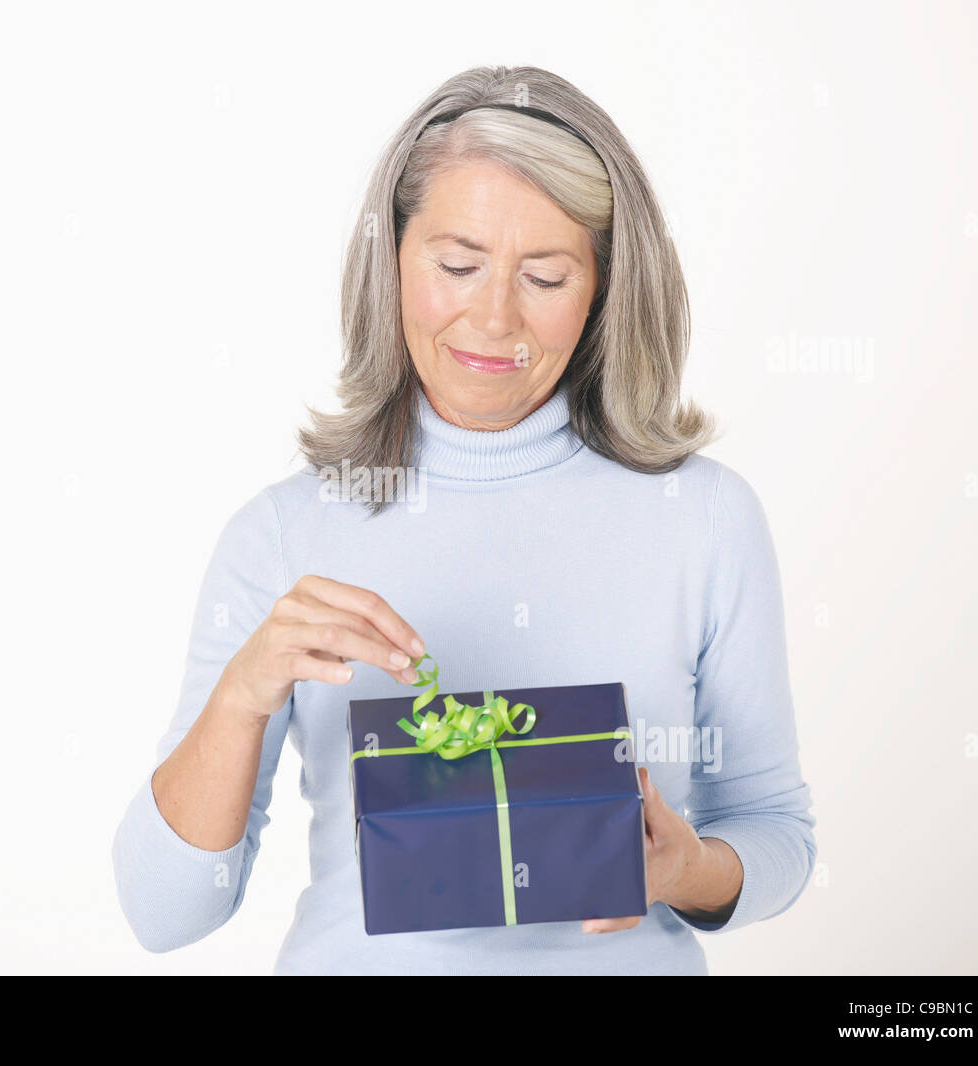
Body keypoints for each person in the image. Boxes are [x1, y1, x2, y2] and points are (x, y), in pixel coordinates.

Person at [111, 64, 816, 975]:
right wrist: (243, 696)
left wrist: (688, 869)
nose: (493, 318)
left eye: (546, 277)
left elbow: (778, 836)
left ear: (604, 287)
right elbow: (163, 915)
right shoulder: (282, 535)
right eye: (456, 266)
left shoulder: (708, 518)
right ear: (392, 259)